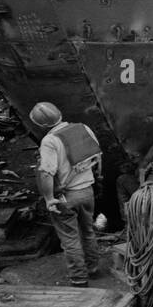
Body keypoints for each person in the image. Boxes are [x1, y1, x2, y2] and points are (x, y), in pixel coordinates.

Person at [31, 101, 103, 287]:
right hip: (87, 191)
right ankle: (93, 268)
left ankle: (79, 278)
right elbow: (97, 156)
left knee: (70, 238)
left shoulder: (50, 141)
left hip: (65, 196)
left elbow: (47, 172)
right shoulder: (82, 128)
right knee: (88, 232)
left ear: (40, 125)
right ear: (60, 114)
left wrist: (48, 198)